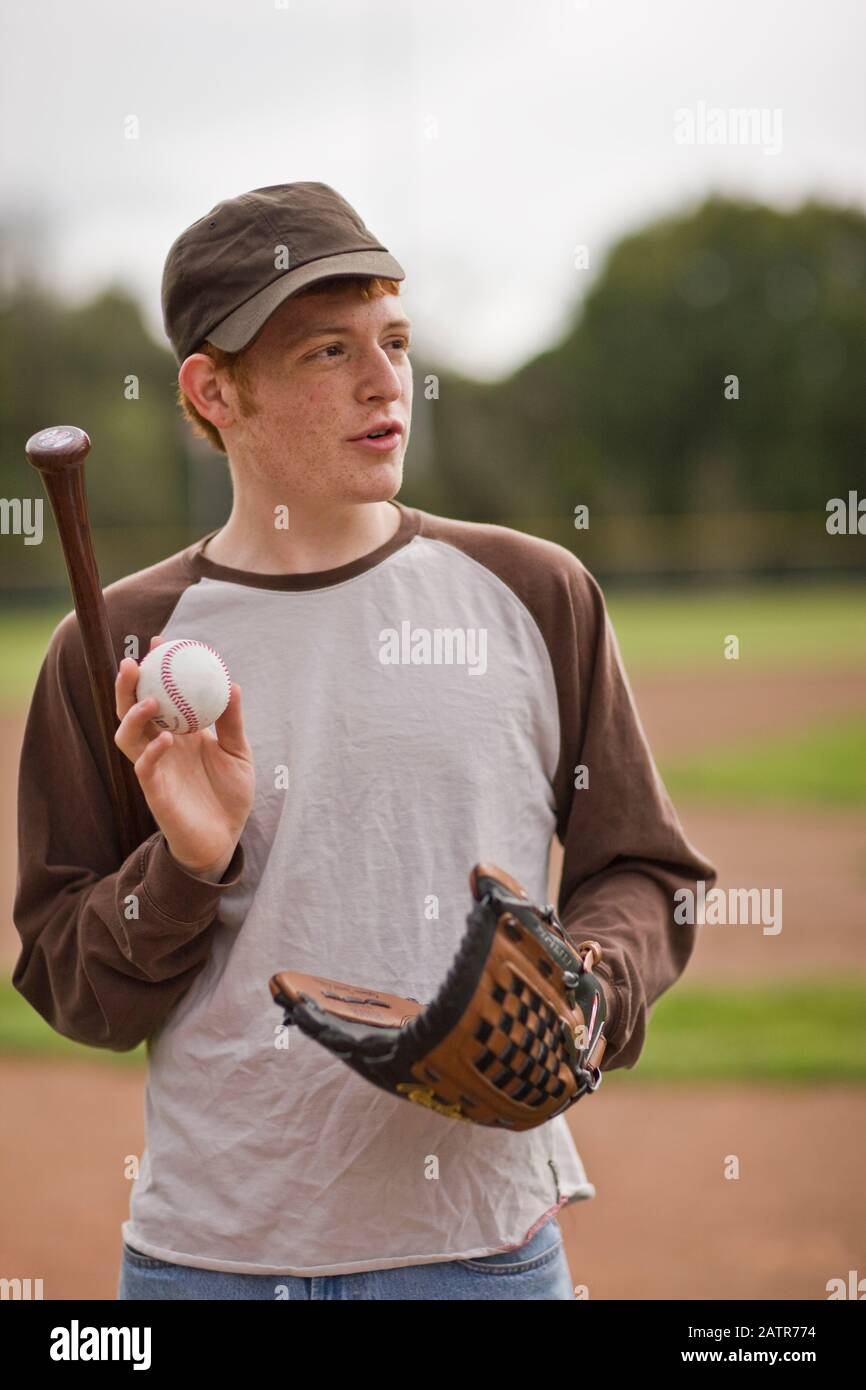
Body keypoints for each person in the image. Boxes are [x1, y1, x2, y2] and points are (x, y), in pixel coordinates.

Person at [12, 182, 716, 1301]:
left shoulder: (535, 593)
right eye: (326, 351)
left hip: (477, 1251)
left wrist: (588, 986)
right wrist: (186, 869)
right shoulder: (118, 649)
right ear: (213, 389)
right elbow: (71, 982)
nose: (385, 380)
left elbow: (647, 871)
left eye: (393, 339)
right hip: (208, 1260)